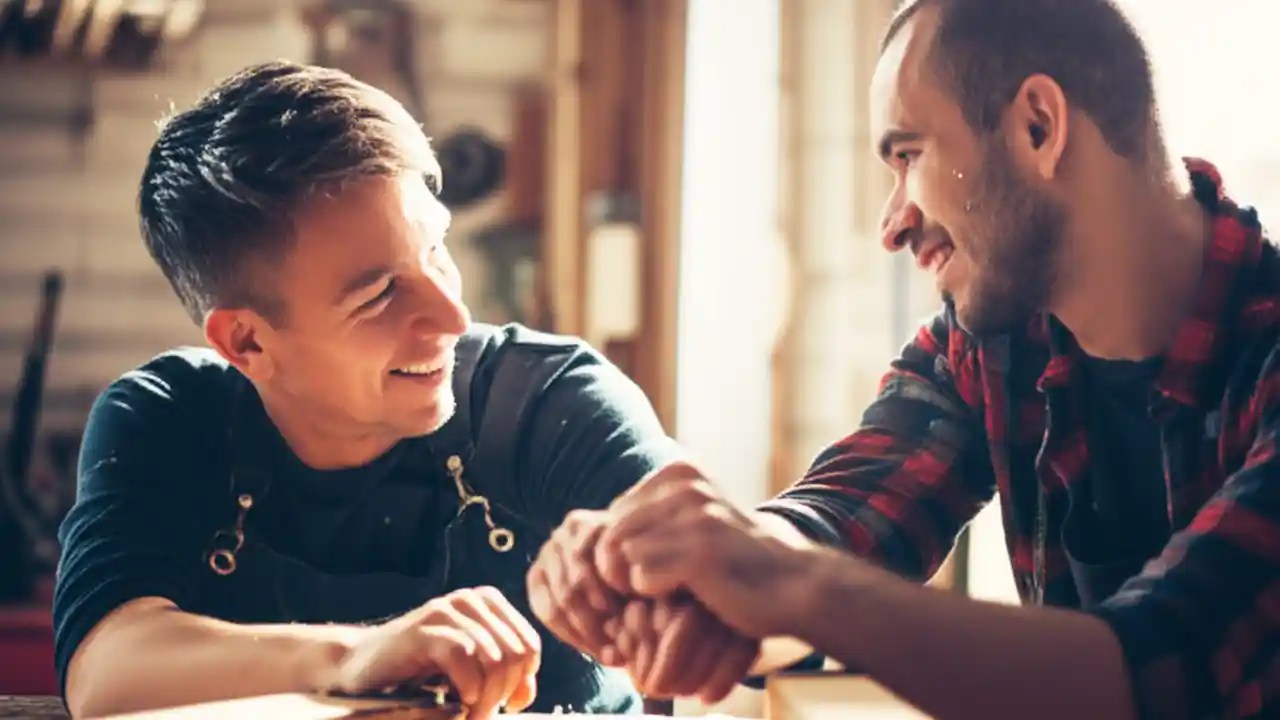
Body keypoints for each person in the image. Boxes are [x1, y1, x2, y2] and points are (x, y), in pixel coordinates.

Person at [529, 1, 1280, 718]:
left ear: (1038, 126)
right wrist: (706, 586)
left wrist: (786, 582)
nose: (892, 225)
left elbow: (1160, 674)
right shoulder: (991, 342)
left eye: (909, 155)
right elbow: (848, 520)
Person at [51, 60, 706, 719]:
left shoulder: (545, 401)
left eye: (436, 252)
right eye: (380, 295)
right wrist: (353, 658)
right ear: (247, 342)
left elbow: (716, 571)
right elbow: (105, 668)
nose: (452, 317)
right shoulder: (170, 419)